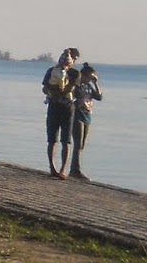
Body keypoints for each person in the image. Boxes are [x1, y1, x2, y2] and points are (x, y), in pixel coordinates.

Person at [41, 47, 79, 179]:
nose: (64, 60)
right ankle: (52, 168)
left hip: (67, 107)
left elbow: (69, 88)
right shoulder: (51, 71)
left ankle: (63, 169)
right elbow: (45, 88)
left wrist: (54, 91)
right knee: (52, 139)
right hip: (53, 106)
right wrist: (51, 90)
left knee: (66, 140)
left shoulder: (74, 73)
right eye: (62, 58)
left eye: (67, 58)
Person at [70, 62, 103, 181]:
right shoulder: (77, 86)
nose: (89, 79)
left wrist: (95, 83)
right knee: (78, 143)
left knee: (82, 144)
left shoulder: (89, 86)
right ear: (83, 75)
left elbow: (99, 97)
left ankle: (75, 167)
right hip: (77, 115)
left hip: (87, 116)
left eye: (91, 78)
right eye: (88, 77)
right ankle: (74, 170)